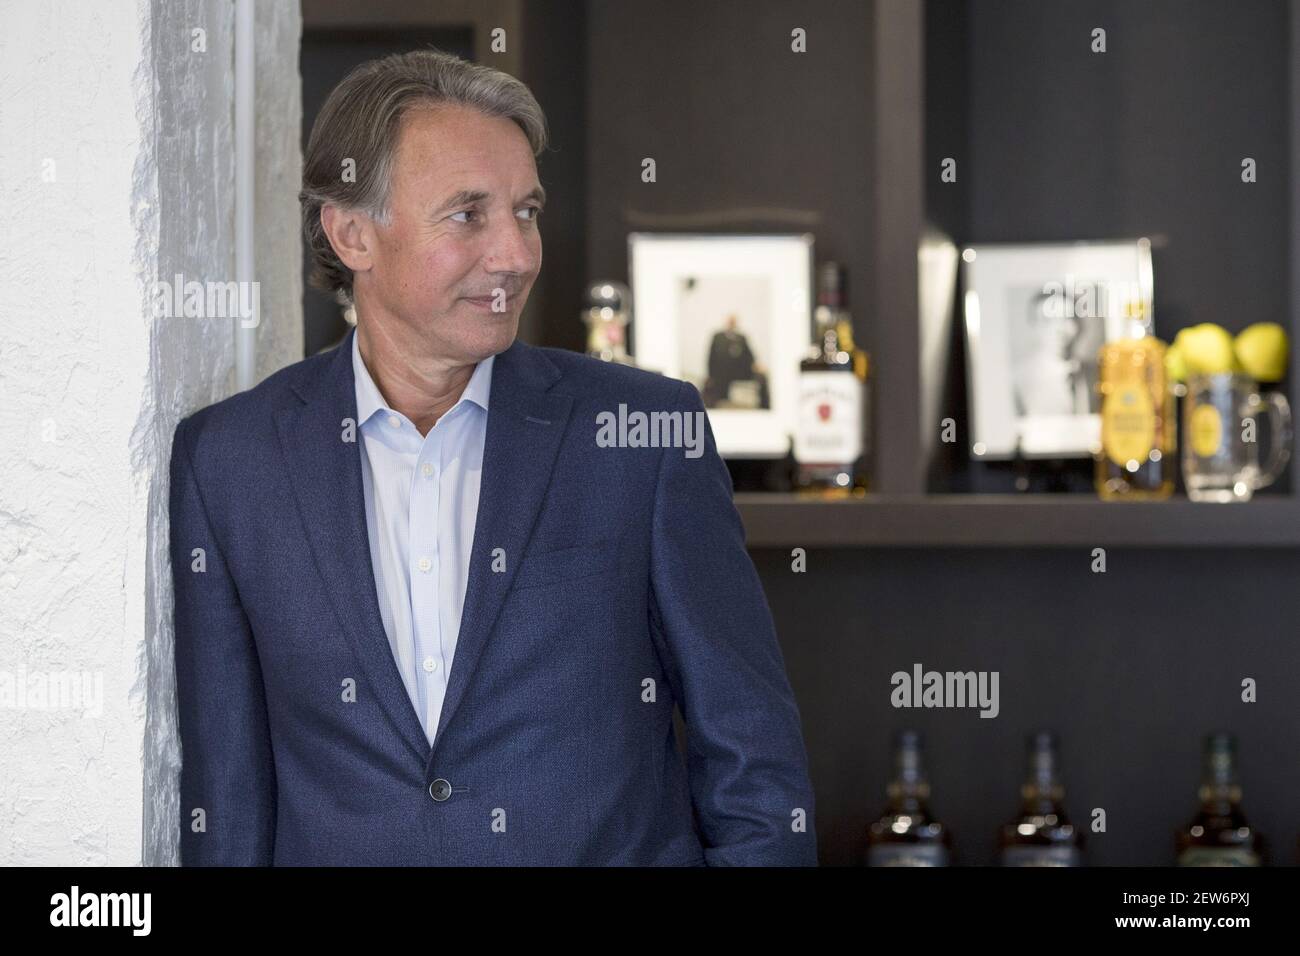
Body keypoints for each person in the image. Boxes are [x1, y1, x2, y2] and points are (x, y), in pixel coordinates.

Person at [170, 49, 816, 866]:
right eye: (468, 215)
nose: (515, 254)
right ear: (351, 233)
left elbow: (754, 758)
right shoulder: (228, 460)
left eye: (527, 211)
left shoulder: (645, 432)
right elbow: (227, 803)